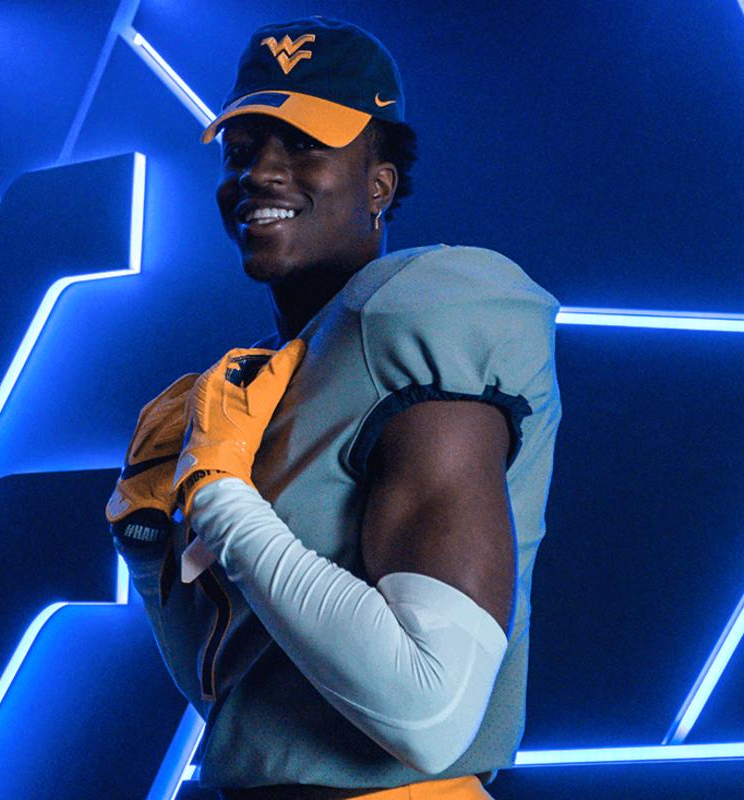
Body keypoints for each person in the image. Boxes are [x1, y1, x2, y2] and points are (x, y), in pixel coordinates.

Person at [106, 16, 561, 800]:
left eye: (303, 145)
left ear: (379, 184)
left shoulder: (415, 312)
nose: (260, 172)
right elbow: (248, 699)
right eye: (242, 150)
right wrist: (153, 567)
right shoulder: (254, 386)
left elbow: (429, 710)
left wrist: (218, 497)